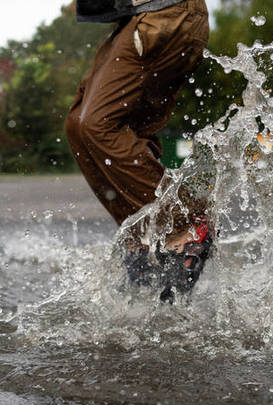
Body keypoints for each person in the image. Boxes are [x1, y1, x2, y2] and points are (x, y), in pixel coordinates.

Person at [66, 0, 214, 302]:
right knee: (78, 126)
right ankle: (143, 231)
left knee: (96, 124)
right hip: (148, 19)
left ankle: (184, 223)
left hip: (165, 16)